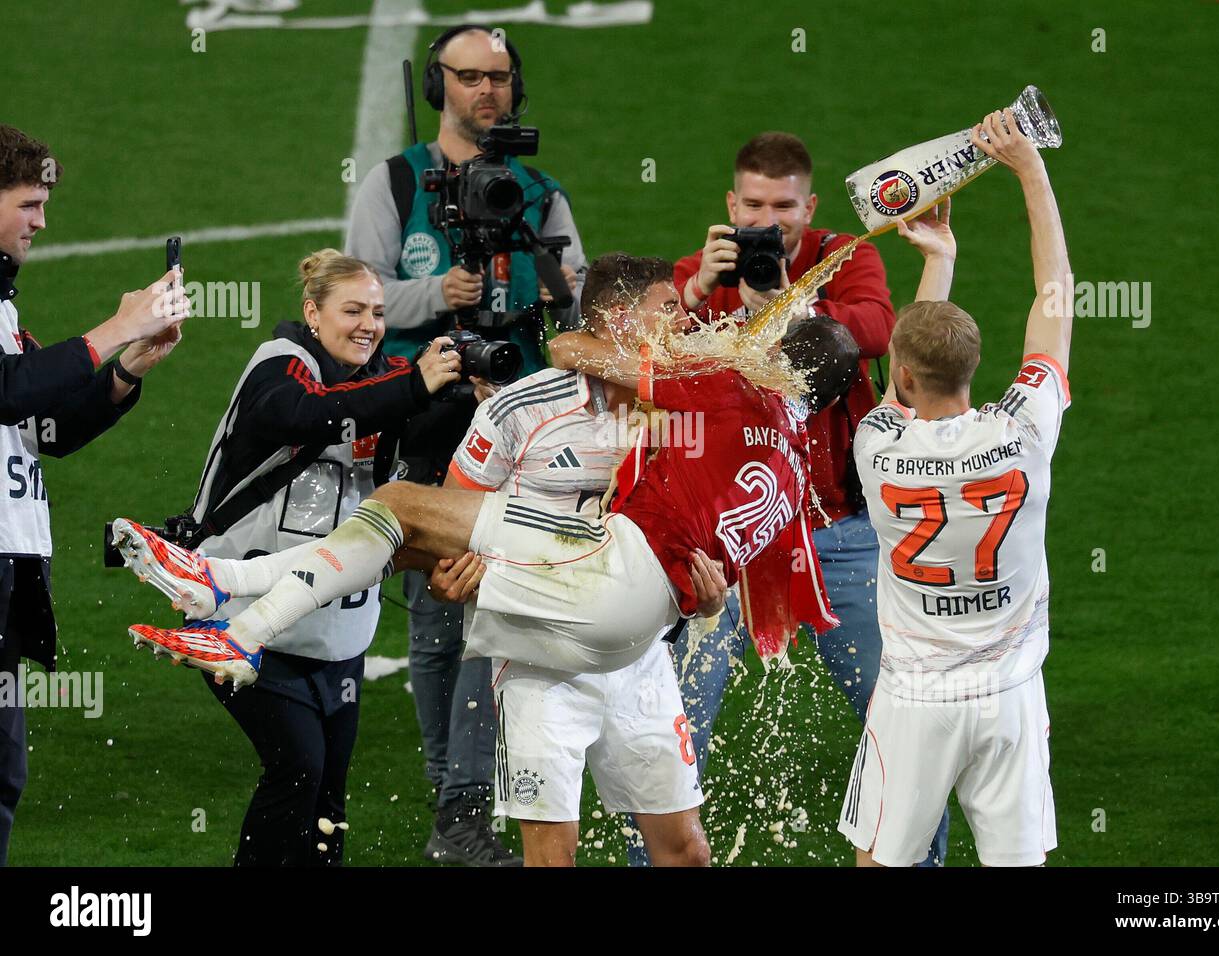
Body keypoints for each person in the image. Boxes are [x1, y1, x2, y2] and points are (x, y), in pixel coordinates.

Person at [113, 311, 861, 732]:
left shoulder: (728, 387)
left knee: (402, 504)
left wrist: (702, 352)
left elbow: (571, 348)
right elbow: (766, 608)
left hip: (609, 573)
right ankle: (219, 597)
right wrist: (712, 599)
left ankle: (230, 610)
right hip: (642, 624)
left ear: (779, 360)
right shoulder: (798, 465)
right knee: (403, 534)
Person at [114, 249, 462, 866]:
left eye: (378, 312)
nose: (369, 324)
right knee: (298, 768)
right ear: (312, 312)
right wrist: (414, 386)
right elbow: (301, 414)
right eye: (352, 310)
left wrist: (471, 396)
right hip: (241, 621)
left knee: (328, 799)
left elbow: (434, 459)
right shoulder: (279, 363)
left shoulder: (389, 381)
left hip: (337, 637)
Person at [345, 23, 586, 865]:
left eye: (500, 78)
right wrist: (429, 295)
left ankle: (464, 802)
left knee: (492, 609)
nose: (488, 91)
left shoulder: (542, 193)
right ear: (436, 84)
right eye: (470, 77)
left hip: (517, 423)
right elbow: (355, 306)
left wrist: (544, 289)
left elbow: (574, 308)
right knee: (436, 620)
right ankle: (456, 794)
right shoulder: (396, 181)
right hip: (426, 423)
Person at [672, 131, 948, 866]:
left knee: (901, 719)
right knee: (672, 728)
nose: (771, 220)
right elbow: (647, 348)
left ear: (810, 204)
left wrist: (792, 305)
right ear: (731, 205)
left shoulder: (845, 254)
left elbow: (881, 330)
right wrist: (700, 289)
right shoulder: (704, 272)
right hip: (726, 540)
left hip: (837, 530)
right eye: (755, 204)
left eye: (784, 205)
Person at [839, 112, 1072, 867]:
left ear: (901, 376)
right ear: (975, 367)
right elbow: (1055, 296)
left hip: (913, 702)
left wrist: (938, 257)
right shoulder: (1025, 430)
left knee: (880, 861)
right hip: (1009, 694)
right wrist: (1029, 171)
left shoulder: (877, 444)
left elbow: (907, 370)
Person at [438, 253, 719, 866]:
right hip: (539, 661)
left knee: (686, 851)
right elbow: (451, 522)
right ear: (621, 321)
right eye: (667, 309)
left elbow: (695, 535)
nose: (684, 320)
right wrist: (454, 575)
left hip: (639, 654)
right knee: (552, 858)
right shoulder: (520, 411)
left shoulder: (681, 413)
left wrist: (710, 595)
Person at [0, 124, 188, 865]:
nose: (42, 220)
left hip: (13, 569)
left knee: (4, 777)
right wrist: (114, 326)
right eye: (27, 202)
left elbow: (41, 429)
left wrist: (127, 368)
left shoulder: (5, 310)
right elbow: (9, 392)